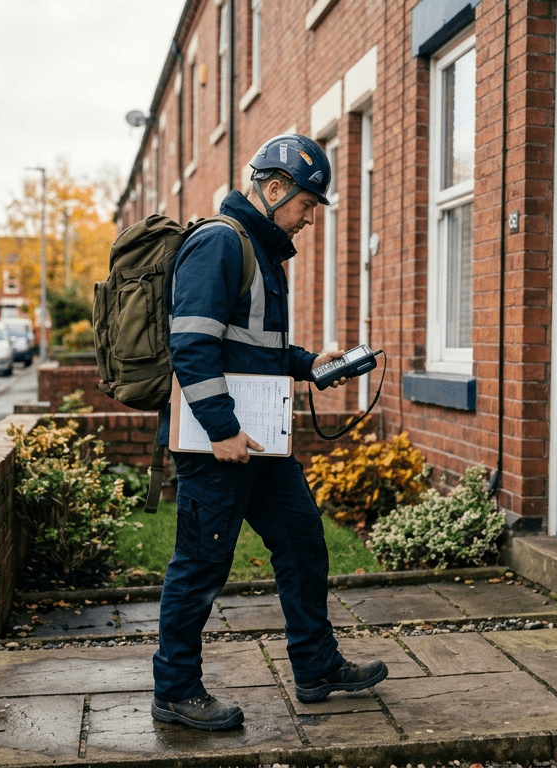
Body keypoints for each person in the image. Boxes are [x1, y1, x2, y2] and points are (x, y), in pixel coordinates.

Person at [150, 134, 387, 732]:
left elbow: (255, 348)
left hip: (263, 443)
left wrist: (310, 364)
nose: (310, 217)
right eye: (306, 204)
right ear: (274, 188)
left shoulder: (262, 251)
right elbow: (191, 345)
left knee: (303, 542)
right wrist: (222, 429)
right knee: (200, 567)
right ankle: (175, 690)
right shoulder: (220, 242)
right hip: (219, 445)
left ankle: (316, 666)